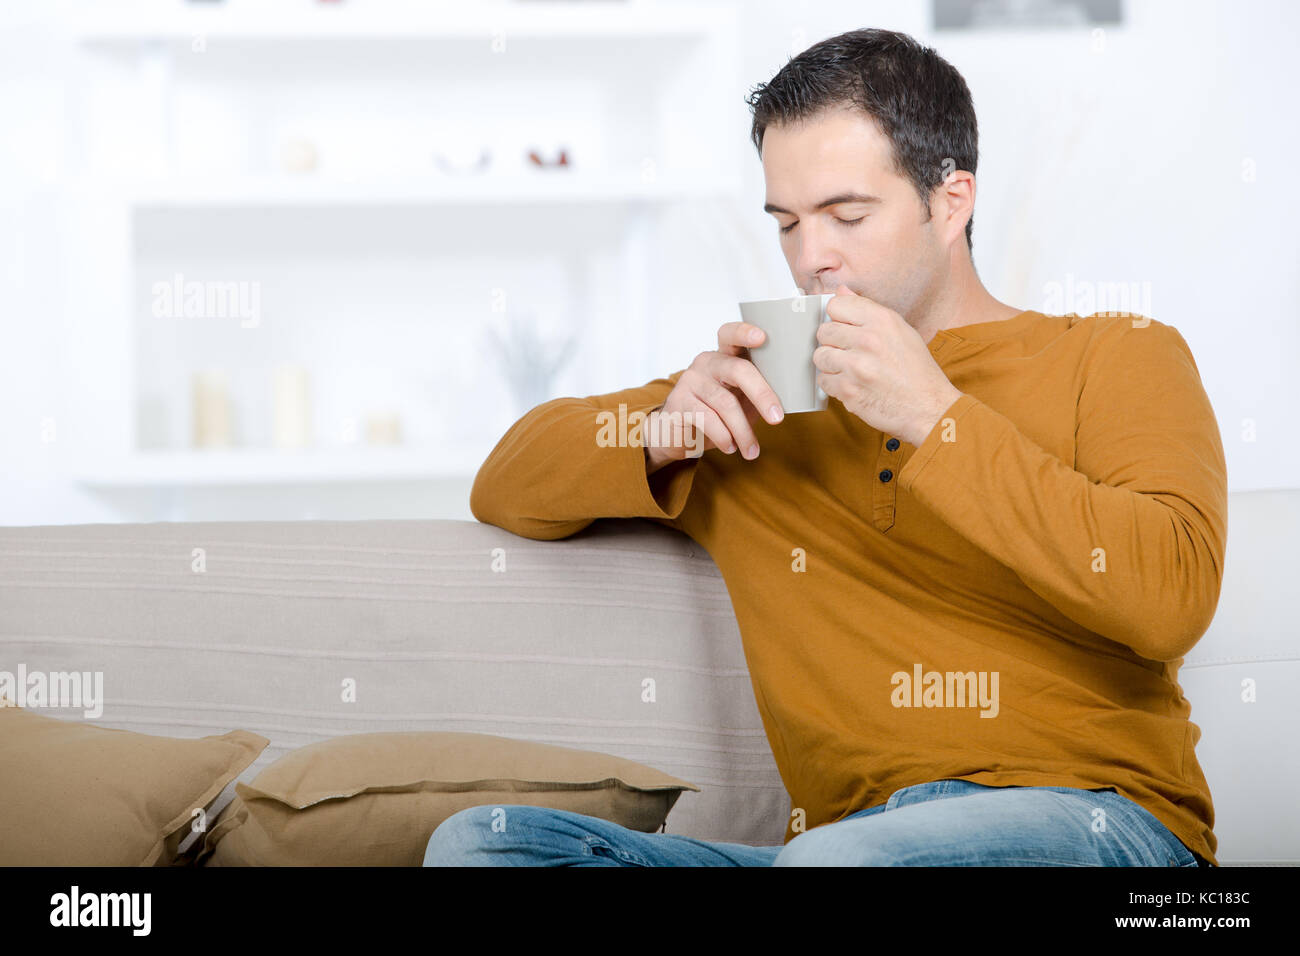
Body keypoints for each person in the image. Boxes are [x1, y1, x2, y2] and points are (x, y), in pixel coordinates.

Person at [425, 27, 1224, 866]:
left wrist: (934, 416)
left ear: (950, 202)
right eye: (787, 224)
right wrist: (659, 433)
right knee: (487, 845)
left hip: (1098, 825)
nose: (812, 261)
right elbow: (504, 481)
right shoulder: (762, 400)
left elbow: (1169, 598)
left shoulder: (1115, 354)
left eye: (847, 215)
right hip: (840, 848)